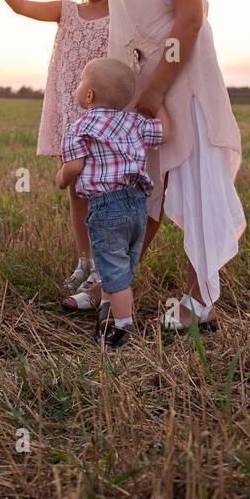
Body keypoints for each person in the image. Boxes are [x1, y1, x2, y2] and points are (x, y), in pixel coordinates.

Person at [21, 0, 245, 331]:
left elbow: (190, 21)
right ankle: (109, 284)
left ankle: (199, 298)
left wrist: (156, 90)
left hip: (177, 78)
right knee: (130, 184)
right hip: (134, 80)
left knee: (188, 180)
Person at [0, 0, 119, 307]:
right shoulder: (68, 11)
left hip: (104, 119)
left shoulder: (125, 16)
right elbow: (21, 6)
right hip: (70, 113)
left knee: (101, 194)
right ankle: (85, 260)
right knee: (77, 193)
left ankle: (105, 270)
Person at [57, 57, 169, 349]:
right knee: (121, 266)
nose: (79, 87)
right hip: (137, 205)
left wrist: (60, 178)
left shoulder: (80, 128)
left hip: (106, 206)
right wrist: (160, 103)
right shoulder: (134, 122)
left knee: (114, 273)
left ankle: (122, 328)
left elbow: (73, 168)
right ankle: (107, 312)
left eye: (81, 82)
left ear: (89, 95)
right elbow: (165, 133)